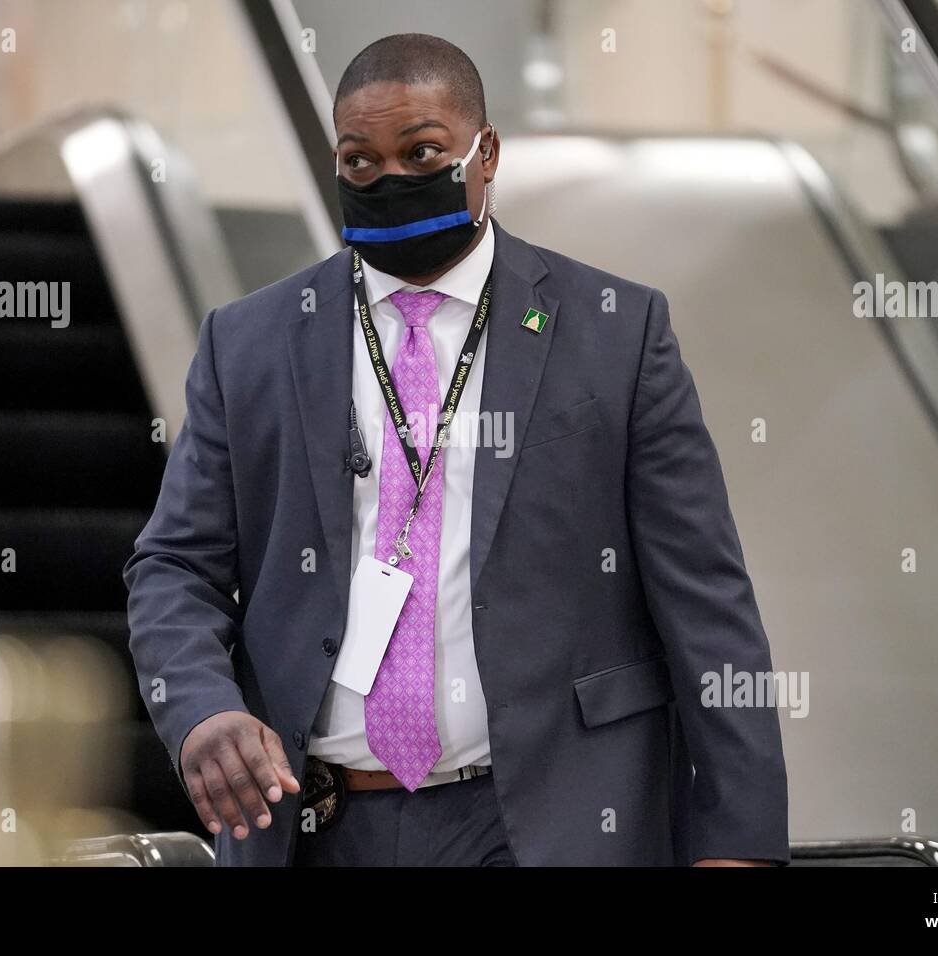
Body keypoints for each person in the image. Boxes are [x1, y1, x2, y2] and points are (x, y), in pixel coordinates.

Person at [124, 32, 788, 866]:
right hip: (317, 825)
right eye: (360, 161)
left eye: (423, 151)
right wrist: (200, 708)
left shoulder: (616, 331)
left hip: (542, 826)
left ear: (488, 154)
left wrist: (741, 843)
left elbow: (706, 596)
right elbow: (173, 567)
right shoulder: (250, 341)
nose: (390, 178)